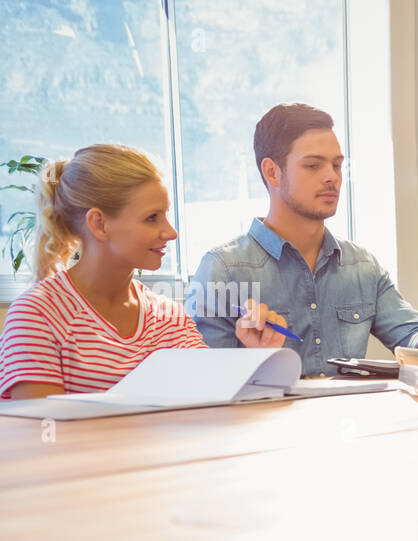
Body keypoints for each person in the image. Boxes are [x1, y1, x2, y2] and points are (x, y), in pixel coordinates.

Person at [188, 103, 418, 376]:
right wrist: (255, 360)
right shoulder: (222, 270)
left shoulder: (362, 266)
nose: (331, 177)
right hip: (266, 419)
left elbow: (413, 335)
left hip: (352, 419)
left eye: (337, 165)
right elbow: (203, 383)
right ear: (272, 172)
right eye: (313, 165)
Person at [0, 144, 283, 400]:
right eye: (151, 218)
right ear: (99, 224)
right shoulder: (36, 316)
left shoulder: (169, 318)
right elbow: (40, 440)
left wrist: (256, 355)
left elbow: (208, 406)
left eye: (166, 215)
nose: (170, 232)